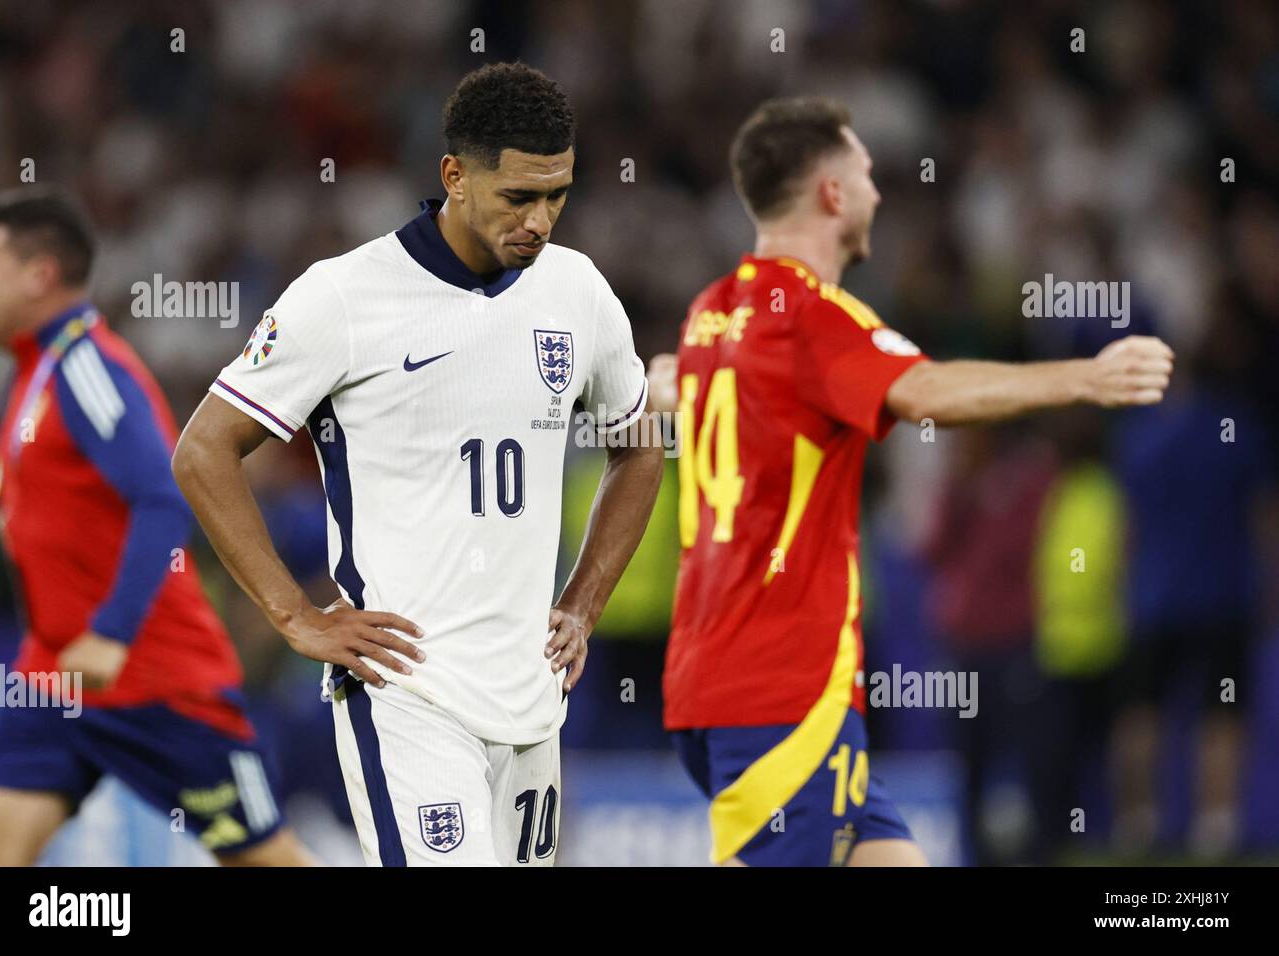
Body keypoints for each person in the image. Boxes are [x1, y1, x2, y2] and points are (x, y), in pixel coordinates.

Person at [646, 97, 1174, 867]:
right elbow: (928, 393)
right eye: (864, 173)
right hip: (780, 688)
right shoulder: (815, 318)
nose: (878, 191)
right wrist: (1085, 378)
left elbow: (673, 385)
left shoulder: (712, 312)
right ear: (831, 193)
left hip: (715, 675)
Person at [172, 62, 663, 867]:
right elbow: (204, 450)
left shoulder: (577, 292)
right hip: (408, 692)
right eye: (518, 197)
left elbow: (642, 443)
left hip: (532, 696)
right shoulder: (344, 298)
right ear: (454, 177)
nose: (540, 220)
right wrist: (295, 616)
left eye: (558, 196)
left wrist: (583, 604)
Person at [0, 189, 311, 866]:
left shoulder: (85, 368)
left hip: (158, 683)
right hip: (57, 680)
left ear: (40, 274)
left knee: (266, 859)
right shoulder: (33, 373)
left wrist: (110, 634)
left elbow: (162, 499)